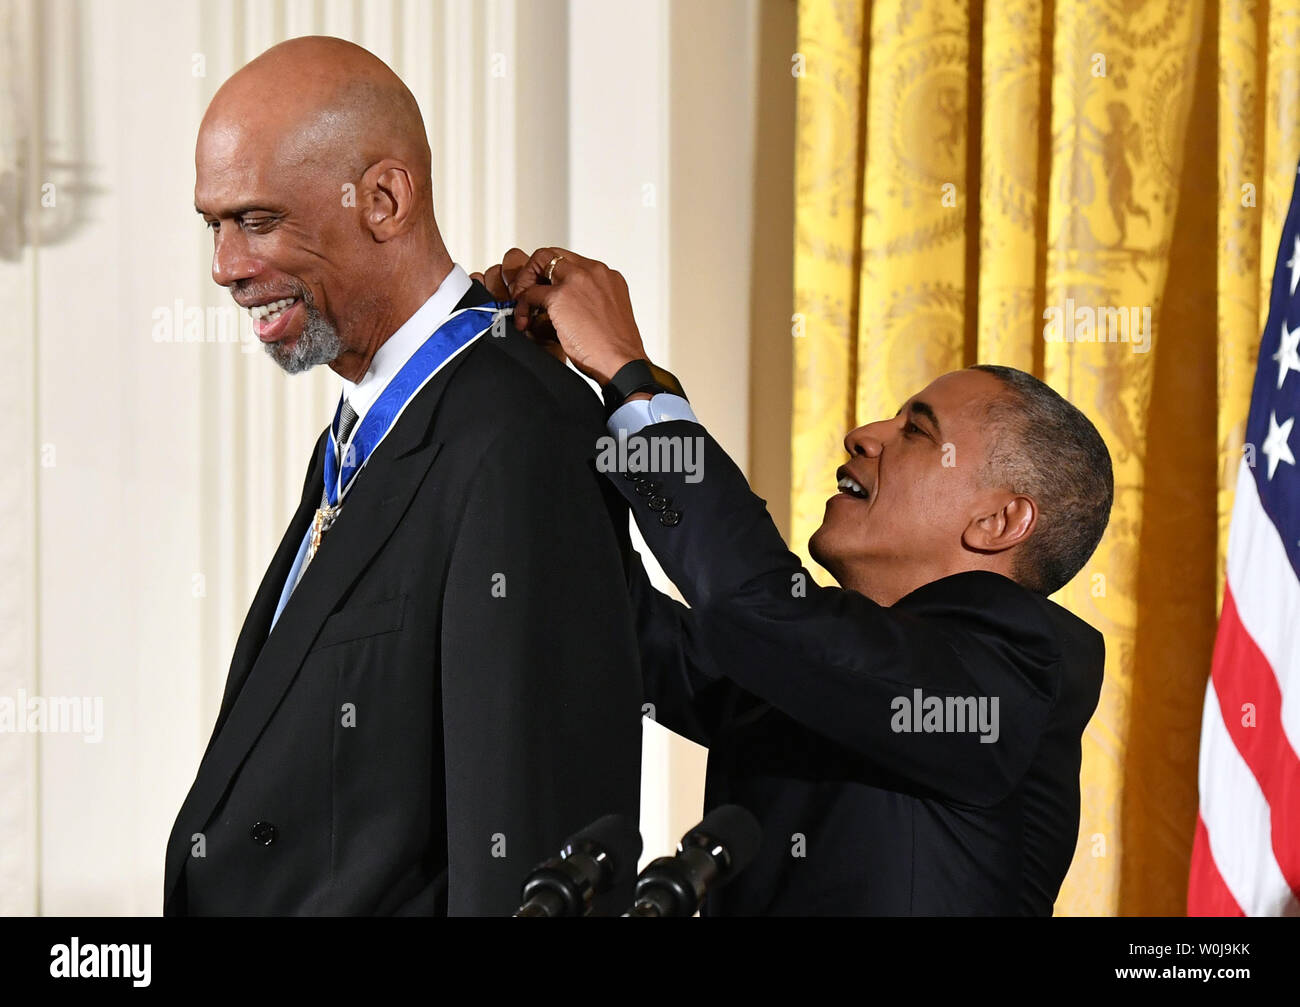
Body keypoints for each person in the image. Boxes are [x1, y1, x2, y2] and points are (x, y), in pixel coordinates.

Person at [476, 246, 1113, 915]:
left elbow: (754, 601)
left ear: (998, 519)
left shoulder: (1014, 674)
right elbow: (618, 623)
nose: (862, 435)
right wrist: (549, 398)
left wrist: (632, 376)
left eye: (916, 432)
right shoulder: (816, 671)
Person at [164, 41, 642, 917]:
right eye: (214, 225)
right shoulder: (368, 429)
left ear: (384, 199)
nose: (226, 266)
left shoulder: (518, 430)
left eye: (258, 220)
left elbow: (526, 842)